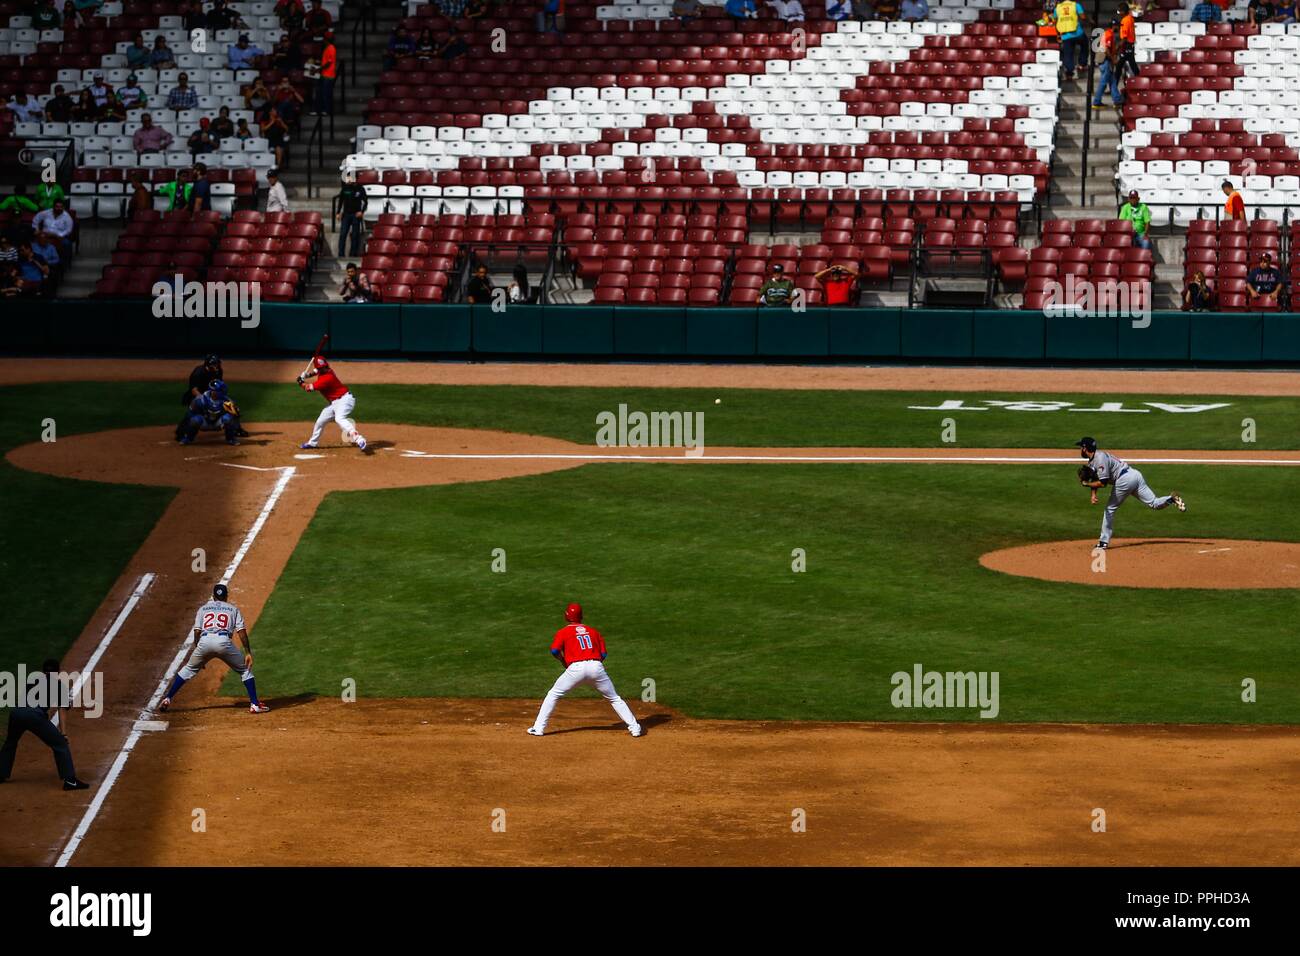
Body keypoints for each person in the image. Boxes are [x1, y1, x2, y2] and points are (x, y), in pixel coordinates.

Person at [526, 603, 642, 738]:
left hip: (575, 669)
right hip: (596, 667)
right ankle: (635, 728)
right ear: (581, 616)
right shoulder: (594, 631)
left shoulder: (563, 632)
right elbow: (603, 654)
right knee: (614, 698)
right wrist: (593, 667)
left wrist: (564, 661)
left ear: (566, 615)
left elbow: (554, 650)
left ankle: (538, 728)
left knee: (553, 694)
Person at [158, 584, 270, 713]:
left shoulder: (203, 609)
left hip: (204, 642)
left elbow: (196, 632)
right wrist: (247, 652)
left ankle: (167, 698)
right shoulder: (233, 609)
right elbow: (242, 632)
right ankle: (255, 704)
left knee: (188, 669)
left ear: (213, 596)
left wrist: (199, 651)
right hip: (223, 642)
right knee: (245, 671)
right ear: (226, 596)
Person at [1075, 436, 1184, 550]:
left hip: (1124, 480)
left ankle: (1103, 542)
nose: (1080, 450)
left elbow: (1103, 483)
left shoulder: (1100, 459)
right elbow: (1095, 477)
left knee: (1110, 509)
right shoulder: (1095, 459)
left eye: (1080, 447)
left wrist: (1086, 484)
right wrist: (1093, 494)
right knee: (1154, 503)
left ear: (1085, 448)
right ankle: (1171, 499)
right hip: (1134, 475)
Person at [0, 658, 90, 790]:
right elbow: (62, 709)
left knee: (10, 742)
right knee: (60, 744)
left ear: (43, 671)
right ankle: (70, 781)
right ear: (58, 672)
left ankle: (1, 774)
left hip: (16, 713)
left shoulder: (32, 681)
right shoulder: (59, 685)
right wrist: (63, 733)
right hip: (34, 716)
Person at [297, 354, 369, 451]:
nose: (324, 368)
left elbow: (308, 388)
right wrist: (308, 375)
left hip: (345, 400)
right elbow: (316, 370)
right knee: (320, 421)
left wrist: (301, 381)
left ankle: (359, 439)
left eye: (324, 367)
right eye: (322, 367)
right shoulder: (325, 370)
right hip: (334, 403)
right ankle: (312, 443)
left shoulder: (327, 378)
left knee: (339, 418)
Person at [1092, 20, 1123, 109]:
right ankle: (1096, 101)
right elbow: (1106, 49)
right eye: (1118, 26)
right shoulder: (1109, 34)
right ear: (1114, 26)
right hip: (1105, 61)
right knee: (1103, 82)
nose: (1119, 28)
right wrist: (1113, 60)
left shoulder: (1108, 34)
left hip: (1105, 60)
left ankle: (1117, 100)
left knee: (1112, 81)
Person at [1054, 0, 1086, 81]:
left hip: (1065, 35)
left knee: (1068, 55)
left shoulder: (1057, 8)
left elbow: (1054, 20)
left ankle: (1069, 74)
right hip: (1077, 33)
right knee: (1085, 44)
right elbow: (1083, 17)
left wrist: (1059, 34)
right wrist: (1089, 21)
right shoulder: (1076, 5)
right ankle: (1082, 64)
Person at [336, 176, 367, 256]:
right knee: (343, 234)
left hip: (356, 215)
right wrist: (338, 212)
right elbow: (340, 201)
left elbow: (365, 202)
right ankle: (341, 254)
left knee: (355, 235)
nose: (348, 180)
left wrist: (361, 211)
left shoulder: (360, 189)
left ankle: (353, 254)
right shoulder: (345, 188)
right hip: (346, 215)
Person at [315, 32, 337, 115]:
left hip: (328, 75)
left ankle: (327, 110)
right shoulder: (327, 47)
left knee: (326, 93)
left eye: (324, 38)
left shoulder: (331, 48)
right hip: (324, 74)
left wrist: (319, 69)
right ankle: (320, 109)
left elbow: (329, 62)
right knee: (321, 92)